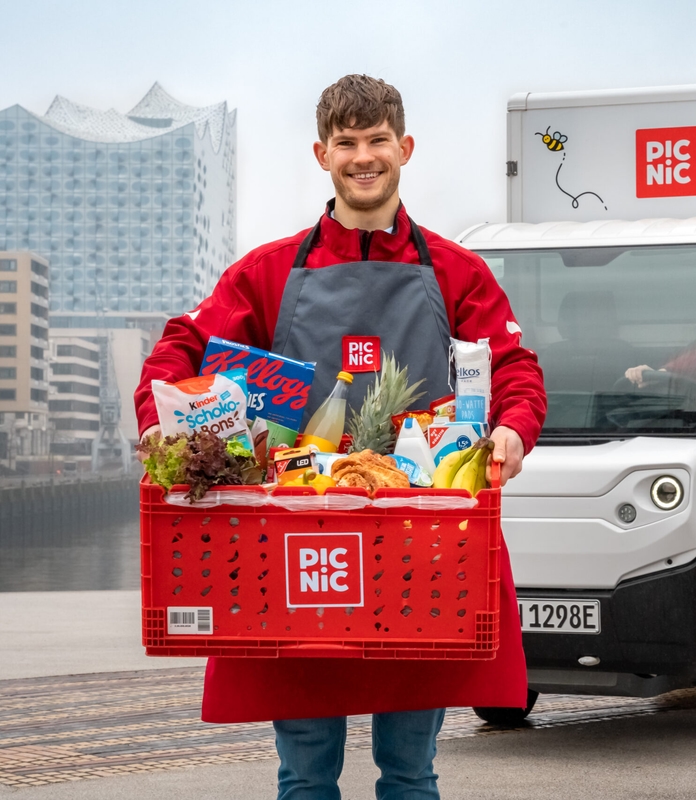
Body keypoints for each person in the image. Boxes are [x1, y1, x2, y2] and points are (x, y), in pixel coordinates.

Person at [133, 75, 546, 799]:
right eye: (347, 143)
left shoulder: (457, 272)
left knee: (411, 775)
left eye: (377, 140)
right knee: (304, 776)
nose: (364, 157)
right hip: (297, 556)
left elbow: (514, 368)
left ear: (404, 148)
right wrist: (157, 422)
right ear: (322, 154)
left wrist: (512, 431)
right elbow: (180, 351)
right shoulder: (266, 271)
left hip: (425, 551)